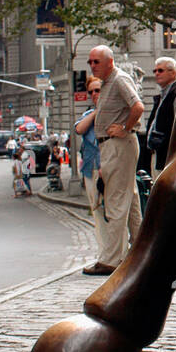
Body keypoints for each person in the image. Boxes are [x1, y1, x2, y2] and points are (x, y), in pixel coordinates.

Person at [87, 45, 144, 273]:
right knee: (129, 200)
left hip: (119, 145)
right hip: (114, 146)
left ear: (109, 62)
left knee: (116, 202)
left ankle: (111, 260)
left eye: (96, 61)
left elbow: (138, 106)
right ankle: (140, 251)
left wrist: (124, 128)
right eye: (90, 61)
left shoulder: (119, 79)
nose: (92, 66)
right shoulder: (109, 82)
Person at [74, 77, 112, 276]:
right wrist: (96, 112)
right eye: (92, 92)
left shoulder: (113, 112)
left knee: (113, 212)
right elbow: (79, 129)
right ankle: (104, 254)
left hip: (110, 167)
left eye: (98, 90)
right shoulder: (89, 114)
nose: (95, 94)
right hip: (92, 169)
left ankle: (115, 254)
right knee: (97, 211)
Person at [146, 56, 176, 175]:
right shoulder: (163, 96)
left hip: (168, 157)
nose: (156, 73)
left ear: (173, 73)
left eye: (160, 70)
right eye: (155, 71)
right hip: (158, 153)